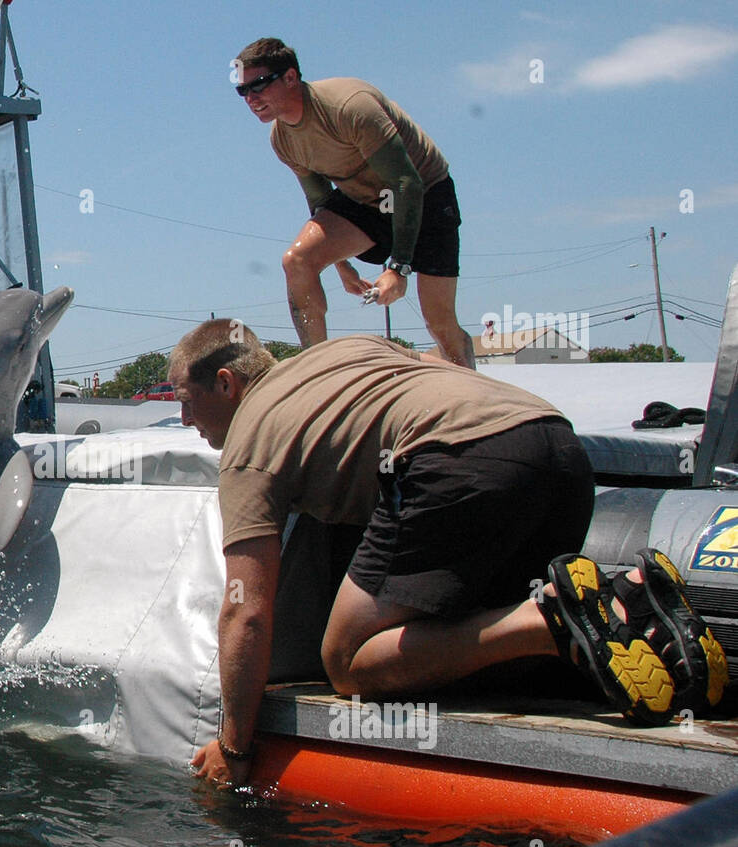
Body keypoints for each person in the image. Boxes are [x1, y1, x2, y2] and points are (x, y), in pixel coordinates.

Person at [168, 319, 724, 787]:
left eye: (187, 402)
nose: (186, 421)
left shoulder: (248, 446)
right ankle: (633, 604)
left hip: (454, 461)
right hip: (558, 447)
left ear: (225, 383)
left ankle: (547, 619)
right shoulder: (346, 350)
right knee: (471, 633)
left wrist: (234, 748)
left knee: (348, 662)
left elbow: (247, 609)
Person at [234, 37, 475, 367]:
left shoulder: (349, 107)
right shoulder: (282, 139)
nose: (251, 98)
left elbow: (406, 183)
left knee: (440, 323)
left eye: (258, 85)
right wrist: (341, 264)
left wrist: (398, 268)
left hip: (424, 194)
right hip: (363, 202)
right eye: (243, 90)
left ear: (290, 78)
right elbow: (320, 201)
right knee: (297, 261)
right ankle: (318, 370)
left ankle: (468, 381)